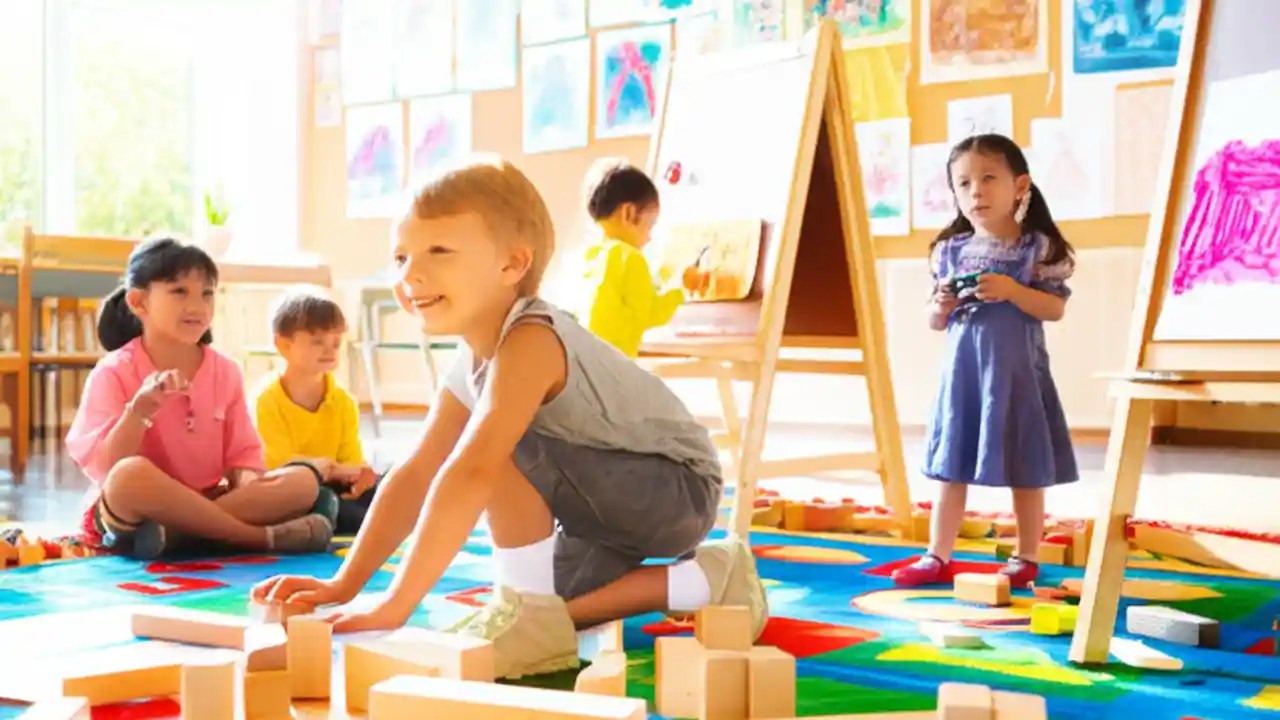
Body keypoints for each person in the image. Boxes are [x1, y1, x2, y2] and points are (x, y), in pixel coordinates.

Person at [252, 154, 767, 680]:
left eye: (439, 251)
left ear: (512, 265)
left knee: (492, 450)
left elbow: (471, 469)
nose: (411, 275)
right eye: (402, 256)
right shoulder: (472, 359)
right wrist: (346, 584)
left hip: (676, 490)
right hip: (599, 506)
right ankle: (710, 579)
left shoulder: (530, 339)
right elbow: (415, 472)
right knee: (543, 596)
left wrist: (393, 605)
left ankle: (531, 622)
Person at [66, 238, 334, 560]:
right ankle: (254, 538)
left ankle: (179, 535)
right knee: (129, 476)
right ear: (139, 302)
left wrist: (248, 481)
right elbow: (107, 467)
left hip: (210, 498)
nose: (197, 306)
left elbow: (243, 456)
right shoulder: (113, 371)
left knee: (303, 481)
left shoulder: (225, 371)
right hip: (136, 510)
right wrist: (138, 412)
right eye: (179, 292)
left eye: (206, 293)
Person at [892, 134, 1079, 588]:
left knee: (1026, 462)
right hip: (964, 378)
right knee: (951, 463)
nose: (975, 191)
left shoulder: (1038, 249)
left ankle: (1027, 554)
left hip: (1017, 377)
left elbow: (1054, 308)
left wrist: (1013, 292)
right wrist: (941, 305)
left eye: (988, 178)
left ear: (1019, 186)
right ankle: (938, 554)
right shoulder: (949, 251)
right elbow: (934, 322)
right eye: (963, 183)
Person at [253, 289, 378, 534]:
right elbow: (275, 464)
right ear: (283, 345)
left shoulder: (343, 401)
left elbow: (351, 458)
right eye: (317, 341)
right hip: (290, 489)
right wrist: (329, 468)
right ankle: (322, 521)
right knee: (313, 499)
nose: (329, 350)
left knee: (391, 485)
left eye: (336, 343)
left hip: (333, 485)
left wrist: (359, 476)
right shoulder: (267, 399)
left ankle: (333, 519)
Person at [578, 158, 696, 357]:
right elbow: (648, 313)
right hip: (613, 366)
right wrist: (681, 290)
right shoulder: (629, 258)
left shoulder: (590, 257)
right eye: (649, 225)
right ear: (630, 214)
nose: (649, 238)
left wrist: (664, 275)